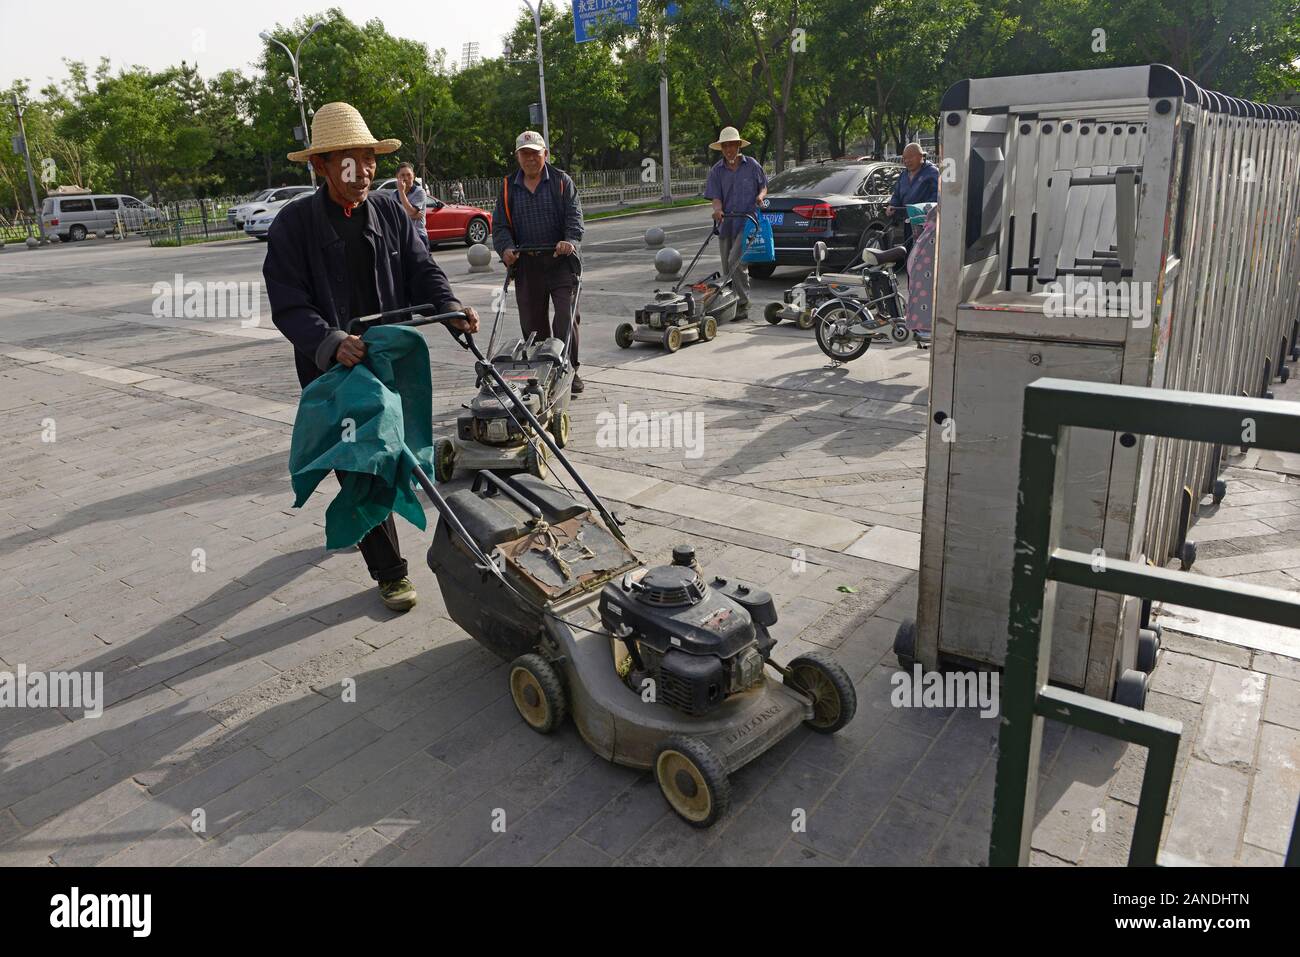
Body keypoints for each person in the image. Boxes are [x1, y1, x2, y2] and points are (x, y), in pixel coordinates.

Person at [263, 101, 479, 612]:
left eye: (368, 160)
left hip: (388, 362)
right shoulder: (293, 226)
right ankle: (390, 571)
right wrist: (332, 341)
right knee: (362, 464)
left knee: (394, 452)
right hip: (335, 371)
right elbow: (288, 304)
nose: (361, 173)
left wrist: (447, 306)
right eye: (347, 162)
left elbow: (423, 268)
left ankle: (367, 526)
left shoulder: (388, 211)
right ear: (320, 166)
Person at [491, 130, 586, 394]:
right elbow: (499, 226)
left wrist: (569, 240)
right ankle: (545, 372)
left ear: (545, 153)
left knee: (566, 318)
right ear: (518, 157)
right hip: (527, 265)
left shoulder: (560, 182)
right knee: (533, 325)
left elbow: (575, 220)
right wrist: (505, 248)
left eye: (535, 153)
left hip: (560, 262)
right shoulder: (509, 186)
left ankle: (569, 368)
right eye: (525, 154)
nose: (530, 159)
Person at [703, 126, 767, 322]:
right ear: (721, 149)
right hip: (726, 222)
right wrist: (717, 210)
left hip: (748, 221)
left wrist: (760, 197)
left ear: (739, 146)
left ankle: (743, 303)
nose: (729, 149)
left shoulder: (752, 165)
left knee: (735, 261)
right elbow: (716, 196)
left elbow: (763, 185)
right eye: (725, 146)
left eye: (732, 145)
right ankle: (729, 302)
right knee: (727, 266)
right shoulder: (717, 171)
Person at [886, 143, 939, 245]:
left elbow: (937, 195)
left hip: (925, 224)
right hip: (907, 222)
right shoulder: (904, 174)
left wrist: (922, 209)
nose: (907, 161)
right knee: (908, 251)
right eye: (904, 158)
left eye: (910, 157)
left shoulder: (932, 172)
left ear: (921, 156)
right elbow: (897, 194)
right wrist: (892, 205)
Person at [395, 162, 429, 251]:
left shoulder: (419, 192)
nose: (406, 178)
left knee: (423, 265)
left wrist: (401, 192)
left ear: (413, 176)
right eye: (402, 175)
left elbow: (410, 211)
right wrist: (413, 216)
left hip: (418, 236)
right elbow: (392, 217)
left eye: (409, 175)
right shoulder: (393, 195)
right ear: (397, 177)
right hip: (401, 238)